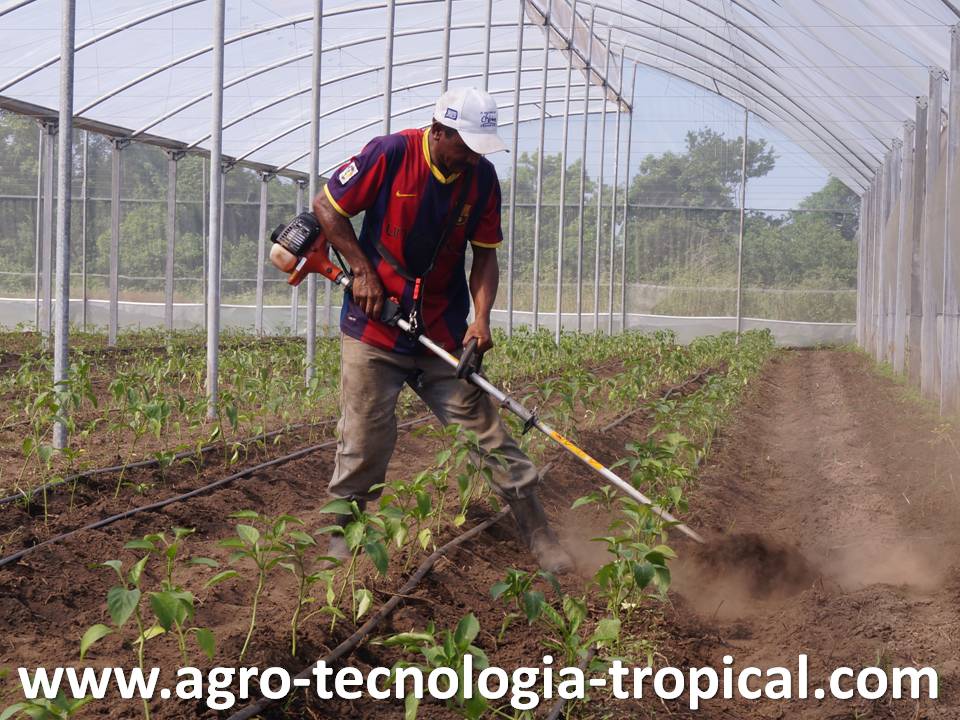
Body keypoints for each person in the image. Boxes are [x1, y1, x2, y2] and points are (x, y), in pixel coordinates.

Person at [312, 87, 572, 574]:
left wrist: (480, 320)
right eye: (466, 145)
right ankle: (341, 544)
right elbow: (327, 207)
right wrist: (363, 271)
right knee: (364, 441)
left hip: (441, 334)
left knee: (488, 436)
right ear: (439, 132)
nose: (473, 155)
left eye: (480, 147)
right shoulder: (391, 154)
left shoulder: (482, 178)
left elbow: (485, 254)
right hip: (376, 329)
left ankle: (539, 535)